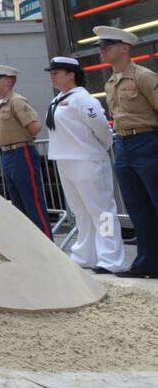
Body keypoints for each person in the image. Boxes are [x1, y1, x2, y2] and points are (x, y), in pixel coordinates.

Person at [44, 55, 124, 274]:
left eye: (56, 73)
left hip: (87, 160)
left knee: (102, 211)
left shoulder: (83, 99)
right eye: (51, 73)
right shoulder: (59, 98)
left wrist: (95, 150)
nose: (52, 77)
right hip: (65, 159)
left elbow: (102, 130)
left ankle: (110, 258)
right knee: (81, 211)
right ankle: (85, 255)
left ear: (71, 75)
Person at [95, 25, 158, 278]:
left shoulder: (143, 76)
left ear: (124, 48)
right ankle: (148, 262)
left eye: (107, 46)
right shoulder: (110, 82)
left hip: (147, 141)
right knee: (137, 207)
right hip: (123, 144)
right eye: (101, 47)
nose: (102, 51)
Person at [0, 63, 53, 239]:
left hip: (21, 152)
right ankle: (30, 242)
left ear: (8, 81)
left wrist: (20, 137)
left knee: (32, 201)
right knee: (18, 203)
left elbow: (35, 127)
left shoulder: (17, 101)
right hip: (7, 154)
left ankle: (46, 243)